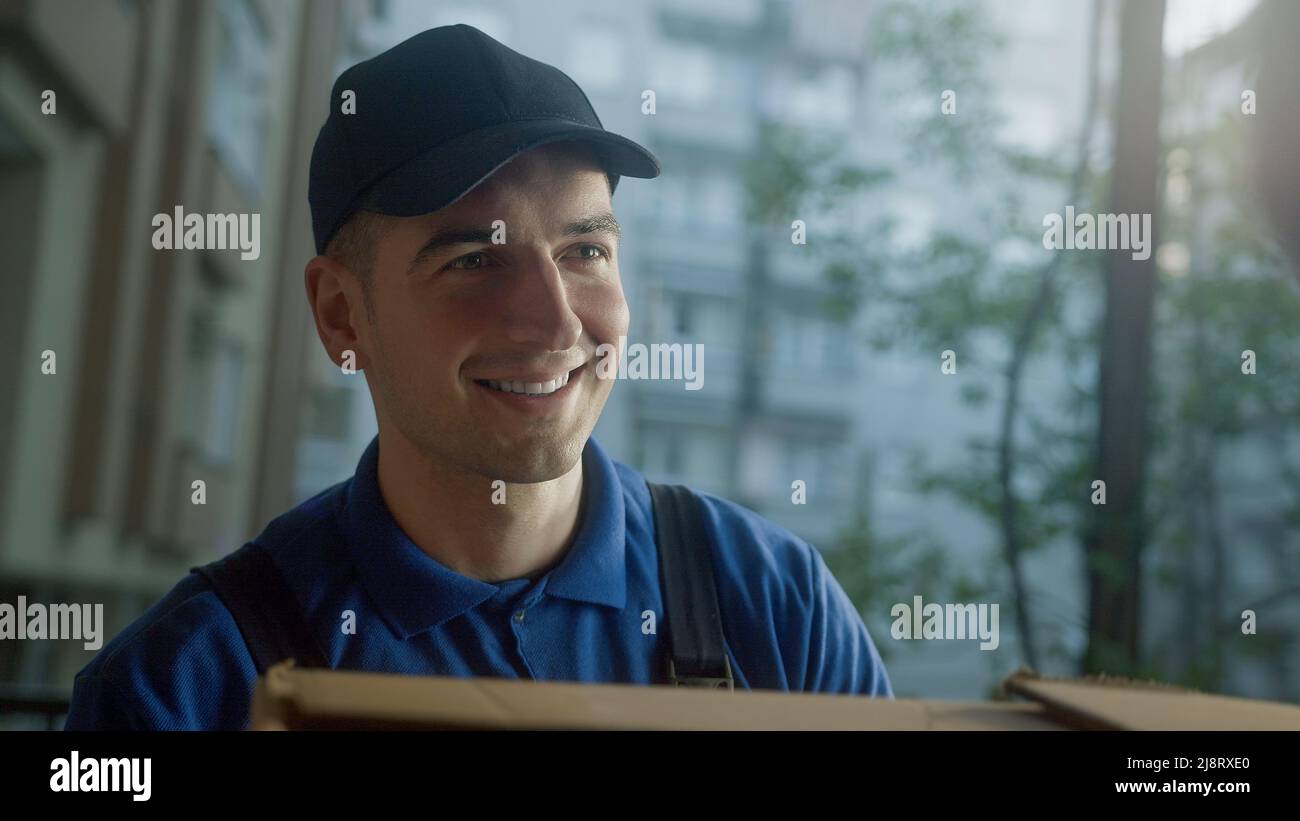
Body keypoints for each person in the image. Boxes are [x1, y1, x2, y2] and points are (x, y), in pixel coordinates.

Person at [65, 24, 891, 731]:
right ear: (342, 316)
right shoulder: (180, 686)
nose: (559, 321)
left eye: (586, 252)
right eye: (474, 260)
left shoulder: (777, 605)